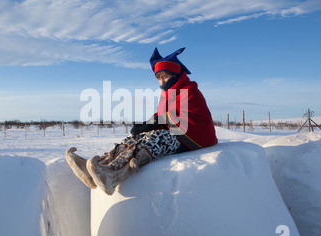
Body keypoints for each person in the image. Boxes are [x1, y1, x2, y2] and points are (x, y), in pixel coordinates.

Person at [66, 47, 218, 195]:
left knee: (154, 139)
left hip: (195, 137)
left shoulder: (188, 90)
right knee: (134, 138)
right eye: (159, 78)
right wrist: (147, 124)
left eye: (165, 76)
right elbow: (163, 115)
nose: (162, 81)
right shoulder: (167, 94)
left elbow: (181, 121)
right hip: (177, 131)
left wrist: (155, 123)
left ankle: (113, 175)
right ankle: (100, 166)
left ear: (176, 75)